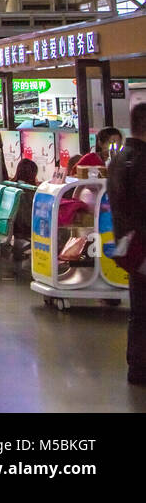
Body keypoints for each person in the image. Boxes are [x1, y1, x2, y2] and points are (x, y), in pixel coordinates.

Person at [107, 103, 146, 385]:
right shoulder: (142, 160)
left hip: (129, 243)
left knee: (139, 310)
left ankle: (137, 366)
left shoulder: (119, 160)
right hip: (144, 241)